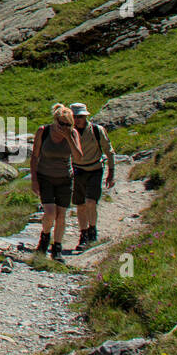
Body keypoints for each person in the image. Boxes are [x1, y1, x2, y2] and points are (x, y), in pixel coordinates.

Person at [29, 104, 84, 260]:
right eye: (61, 124)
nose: (64, 127)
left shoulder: (72, 134)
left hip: (65, 179)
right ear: (55, 120)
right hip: (45, 177)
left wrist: (68, 137)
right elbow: (35, 156)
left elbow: (79, 157)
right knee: (50, 213)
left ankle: (57, 248)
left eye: (67, 124)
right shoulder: (43, 131)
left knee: (61, 215)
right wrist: (34, 179)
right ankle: (45, 237)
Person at [69, 101, 116, 251]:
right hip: (78, 171)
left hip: (95, 169)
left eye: (80, 116)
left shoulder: (97, 130)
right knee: (80, 204)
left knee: (91, 202)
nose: (77, 120)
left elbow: (109, 150)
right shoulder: (69, 132)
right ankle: (83, 235)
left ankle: (92, 230)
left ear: (85, 116)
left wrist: (111, 172)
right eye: (75, 117)